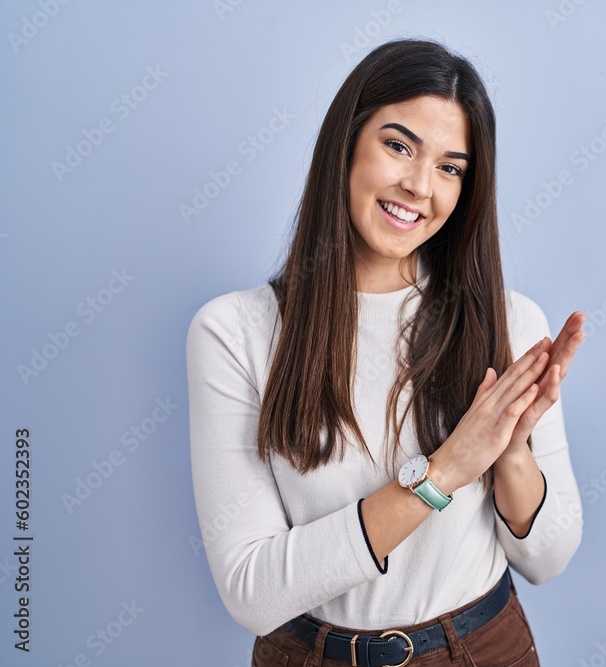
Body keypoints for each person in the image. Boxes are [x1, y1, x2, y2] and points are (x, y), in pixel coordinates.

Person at [186, 37, 585, 667]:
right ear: (345, 145)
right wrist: (446, 472)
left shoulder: (508, 321)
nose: (420, 185)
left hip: (482, 647)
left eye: (451, 167)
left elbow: (549, 558)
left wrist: (510, 450)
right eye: (398, 146)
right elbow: (252, 592)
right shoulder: (234, 332)